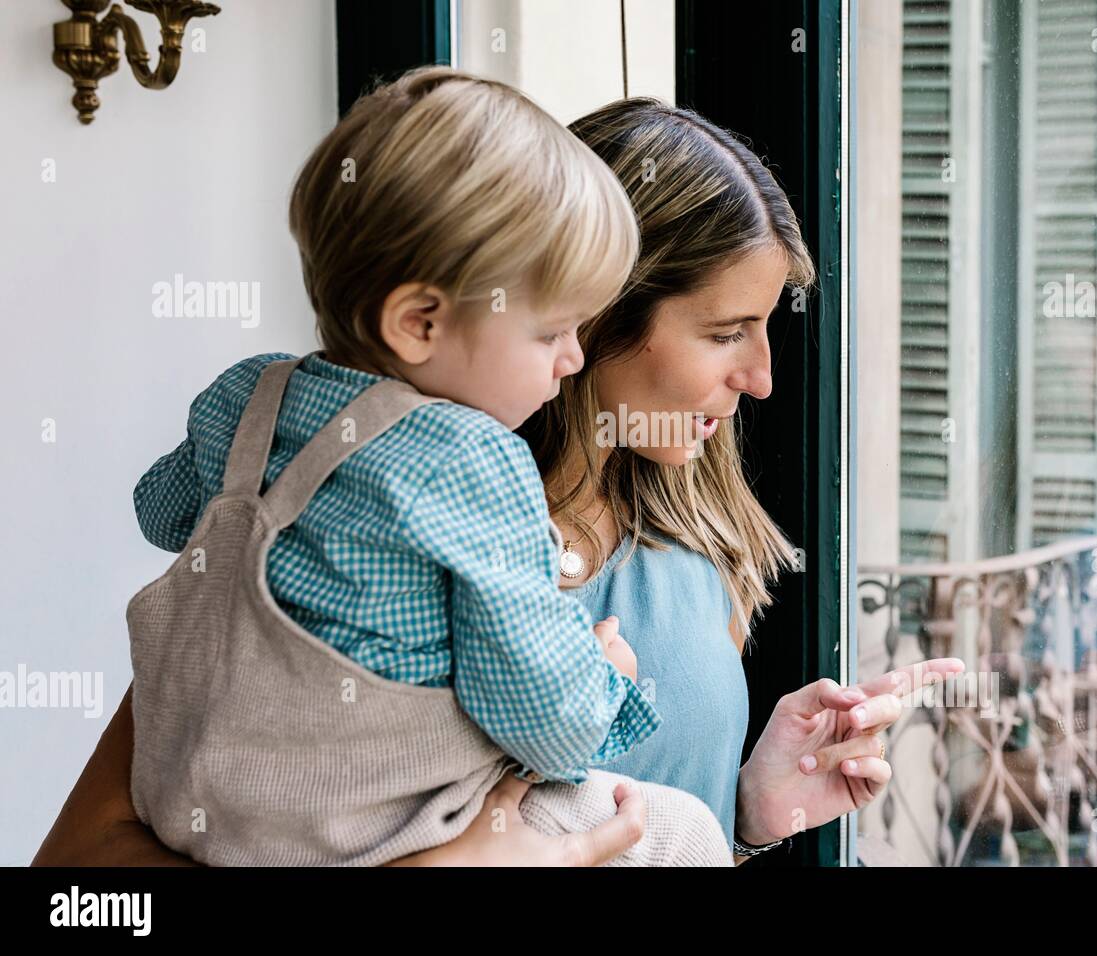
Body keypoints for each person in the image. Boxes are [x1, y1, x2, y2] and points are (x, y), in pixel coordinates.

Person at [33, 91, 965, 869]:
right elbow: (80, 876)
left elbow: (623, 829)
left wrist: (751, 811)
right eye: (725, 333)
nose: (761, 377)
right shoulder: (337, 539)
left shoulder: (695, 551)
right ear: (593, 317)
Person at [119, 65, 732, 867]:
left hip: (187, 812)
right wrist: (600, 680)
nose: (572, 359)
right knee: (682, 830)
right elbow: (548, 724)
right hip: (363, 833)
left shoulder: (246, 395)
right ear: (419, 324)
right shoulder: (475, 465)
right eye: (552, 333)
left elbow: (158, 514)